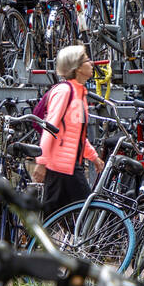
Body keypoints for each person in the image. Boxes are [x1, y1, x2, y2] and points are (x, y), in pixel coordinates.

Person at [31, 45, 105, 215]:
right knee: (87, 213)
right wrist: (41, 163)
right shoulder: (65, 91)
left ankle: (37, 239)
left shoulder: (79, 94)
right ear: (77, 67)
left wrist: (93, 157)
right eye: (87, 60)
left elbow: (77, 134)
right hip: (61, 167)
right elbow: (50, 126)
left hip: (70, 166)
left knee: (59, 217)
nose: (91, 63)